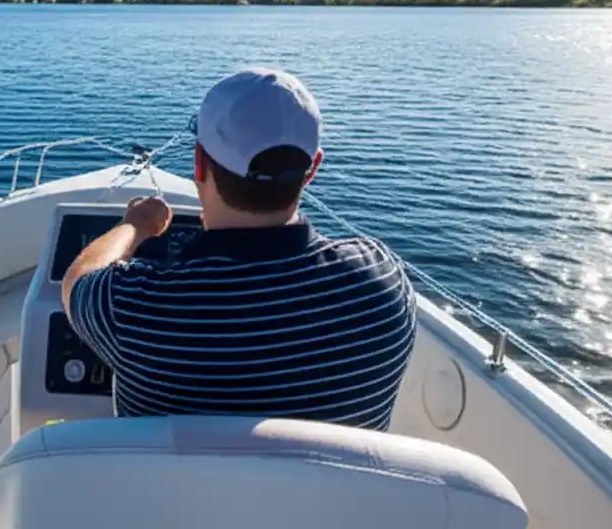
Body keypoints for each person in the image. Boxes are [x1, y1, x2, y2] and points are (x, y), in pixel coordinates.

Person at [60, 67, 416, 431]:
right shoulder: (384, 285)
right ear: (312, 170)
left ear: (199, 163)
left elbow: (76, 283)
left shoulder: (132, 307)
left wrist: (135, 225)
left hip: (171, 491)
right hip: (327, 490)